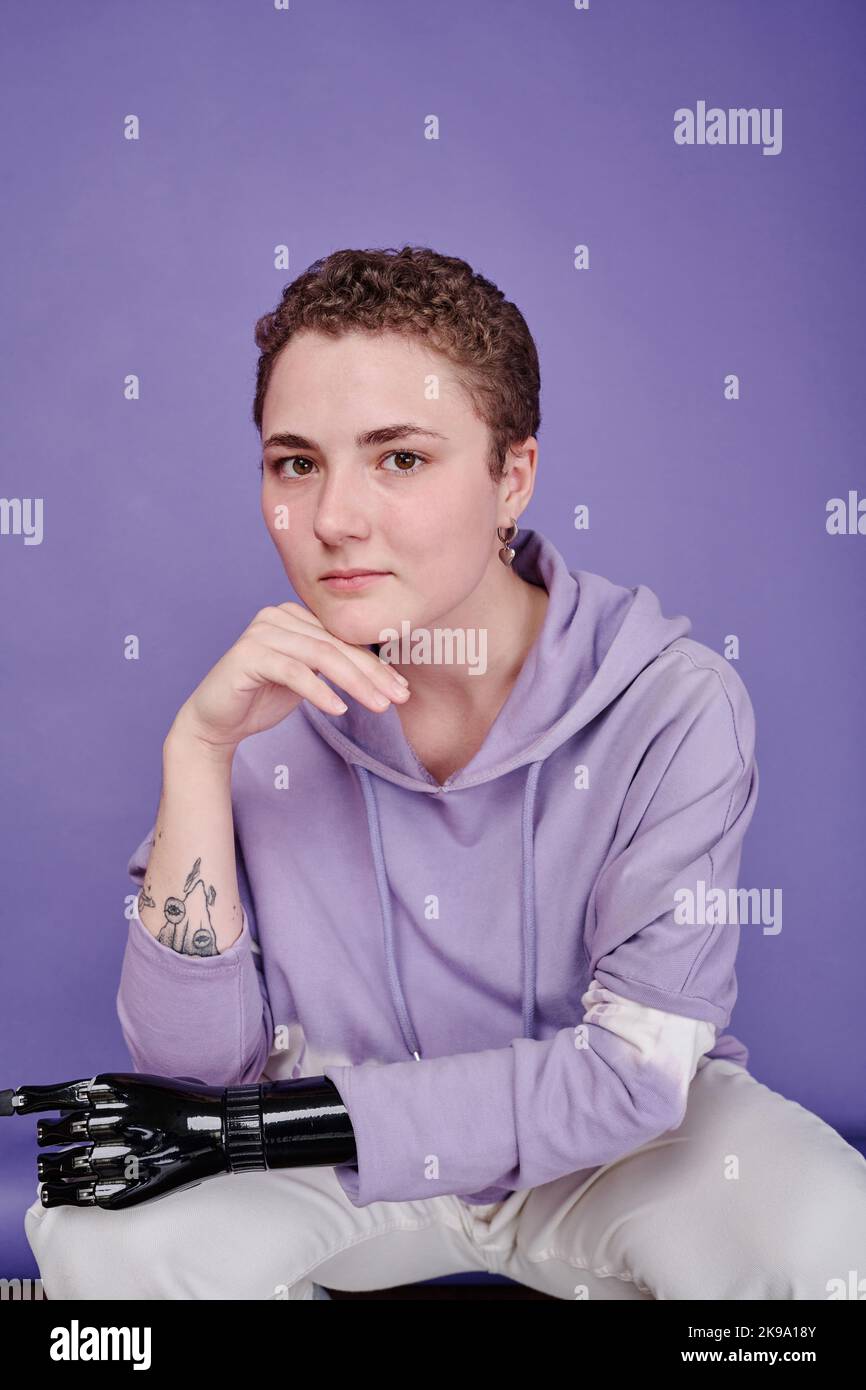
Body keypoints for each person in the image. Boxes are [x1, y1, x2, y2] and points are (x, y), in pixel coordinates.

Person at [25, 245, 866, 1300]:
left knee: (838, 1245)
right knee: (104, 1251)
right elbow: (199, 1086)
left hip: (604, 1155)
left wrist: (253, 1123)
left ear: (511, 474)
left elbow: (634, 1078)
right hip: (328, 1164)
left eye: (400, 459)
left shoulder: (671, 702)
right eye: (296, 463)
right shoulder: (258, 714)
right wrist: (197, 752)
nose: (334, 518)